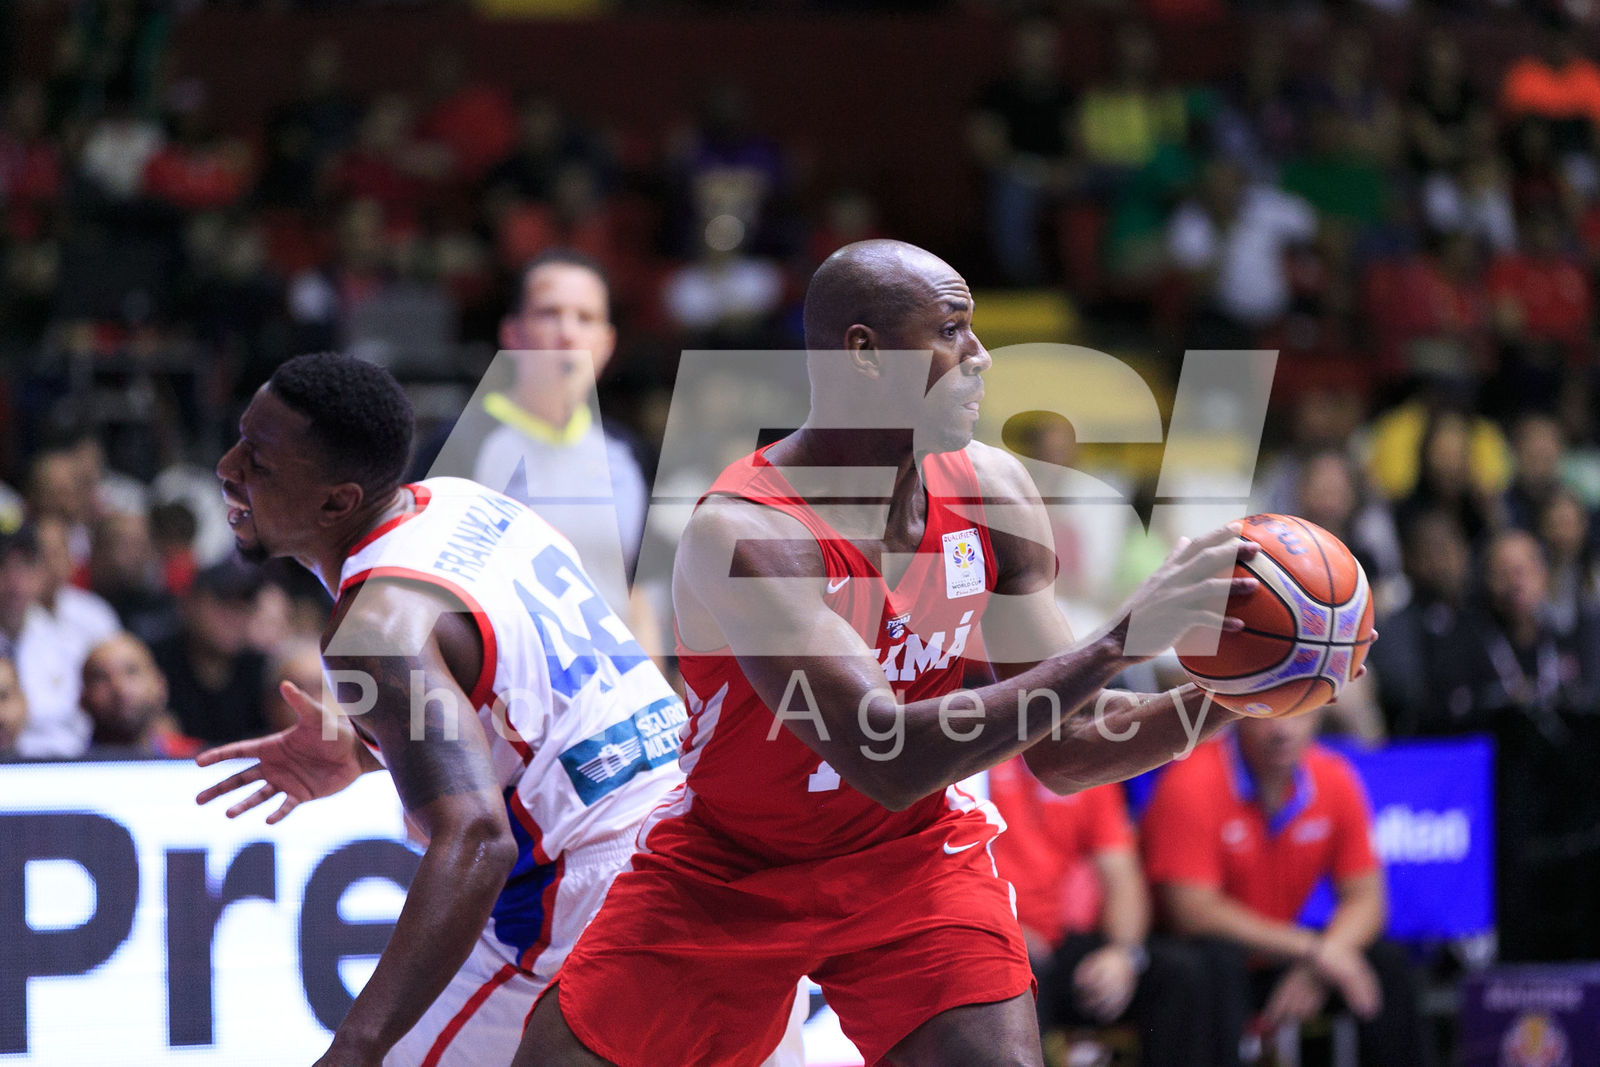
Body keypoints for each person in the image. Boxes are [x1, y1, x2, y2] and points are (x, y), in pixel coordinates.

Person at [520, 239, 1263, 1067]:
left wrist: (1240, 692)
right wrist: (1122, 640)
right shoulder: (750, 531)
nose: (980, 357)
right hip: (730, 867)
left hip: (908, 862)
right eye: (952, 330)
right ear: (864, 353)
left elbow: (1065, 747)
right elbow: (887, 753)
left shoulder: (994, 492)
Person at [194, 354, 800, 1066]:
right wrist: (369, 744)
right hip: (708, 824)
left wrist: (355, 1044)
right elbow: (531, 682)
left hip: (592, 877)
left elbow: (478, 839)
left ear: (337, 503)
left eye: (259, 463)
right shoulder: (464, 500)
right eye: (240, 439)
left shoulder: (373, 632)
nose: (228, 467)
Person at [1140, 711, 1424, 1064]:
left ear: (1321, 712)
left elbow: (1367, 898)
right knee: (1208, 964)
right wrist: (1312, 950)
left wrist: (1324, 960)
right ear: (1238, 713)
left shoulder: (1333, 777)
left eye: (1297, 715)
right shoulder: (1191, 780)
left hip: (1285, 958)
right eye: (1266, 715)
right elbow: (1191, 911)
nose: (1281, 730)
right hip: (1207, 956)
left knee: (1385, 963)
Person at [422, 250, 654, 642]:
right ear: (511, 334)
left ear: (607, 342)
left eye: (586, 318)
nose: (568, 332)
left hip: (613, 693)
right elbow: (420, 593)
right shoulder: (458, 446)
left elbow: (638, 593)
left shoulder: (629, 454)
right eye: (549, 313)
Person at [987, 758, 1209, 1062]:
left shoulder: (1084, 765)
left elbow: (1121, 876)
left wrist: (1123, 954)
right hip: (990, 937)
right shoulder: (979, 763)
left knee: (1180, 971)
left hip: (1053, 944)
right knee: (1017, 970)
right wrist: (1003, 931)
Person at [80, 632, 200, 758]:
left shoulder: (199, 761)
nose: (119, 687)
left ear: (160, 684)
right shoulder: (65, 769)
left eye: (132, 671)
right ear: (83, 698)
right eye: (101, 677)